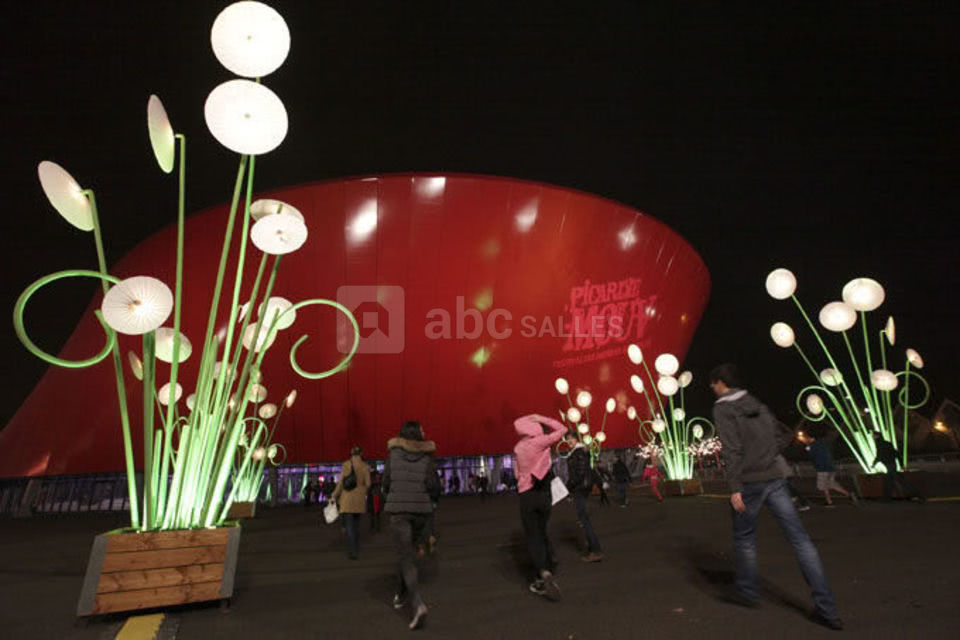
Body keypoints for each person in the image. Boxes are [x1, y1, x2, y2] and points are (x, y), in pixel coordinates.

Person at [710, 363, 843, 631]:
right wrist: (767, 457)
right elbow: (781, 435)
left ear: (720, 383)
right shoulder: (756, 403)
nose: (712, 390)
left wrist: (735, 486)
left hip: (749, 482)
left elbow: (732, 450)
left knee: (745, 538)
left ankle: (747, 592)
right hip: (775, 477)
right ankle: (828, 610)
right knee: (801, 541)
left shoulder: (723, 408)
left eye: (713, 385)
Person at [383, 421, 440, 630]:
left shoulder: (393, 455)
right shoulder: (427, 457)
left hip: (399, 512)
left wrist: (393, 493)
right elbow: (434, 485)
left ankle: (417, 604)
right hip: (421, 513)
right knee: (407, 555)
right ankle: (400, 594)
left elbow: (386, 482)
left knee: (406, 558)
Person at [513, 413, 566, 601]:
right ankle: (549, 562)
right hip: (544, 494)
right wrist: (541, 418)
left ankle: (542, 572)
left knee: (532, 535)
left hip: (526, 495)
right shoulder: (541, 442)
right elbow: (562, 429)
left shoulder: (518, 448)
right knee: (542, 530)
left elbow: (517, 473)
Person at [564, 432, 603, 562]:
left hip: (580, 488)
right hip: (581, 488)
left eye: (571, 438)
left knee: (584, 520)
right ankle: (591, 545)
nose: (569, 441)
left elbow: (579, 474)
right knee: (583, 519)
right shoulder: (578, 452)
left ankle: (595, 550)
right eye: (567, 439)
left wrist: (567, 487)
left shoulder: (578, 452)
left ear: (577, 439)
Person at [331, 445, 371, 560]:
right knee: (357, 526)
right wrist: (361, 489)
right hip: (359, 500)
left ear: (351, 453)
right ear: (361, 453)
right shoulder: (365, 466)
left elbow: (340, 483)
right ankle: (355, 549)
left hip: (347, 499)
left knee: (349, 527)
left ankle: (353, 551)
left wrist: (334, 494)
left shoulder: (346, 464)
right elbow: (368, 484)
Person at [800, 431, 858, 507]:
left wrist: (808, 448)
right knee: (831, 484)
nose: (807, 439)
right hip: (830, 467)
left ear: (812, 438)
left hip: (822, 469)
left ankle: (829, 502)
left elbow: (812, 457)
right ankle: (849, 495)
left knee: (824, 486)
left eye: (808, 438)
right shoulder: (822, 444)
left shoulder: (813, 446)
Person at [871, 432, 925, 502]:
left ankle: (917, 495)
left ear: (877, 436)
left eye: (873, 436)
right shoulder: (885, 443)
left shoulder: (880, 444)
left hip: (890, 465)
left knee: (899, 482)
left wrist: (874, 464)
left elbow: (880, 456)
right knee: (890, 482)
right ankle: (887, 498)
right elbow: (895, 453)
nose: (872, 437)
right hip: (891, 465)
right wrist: (901, 464)